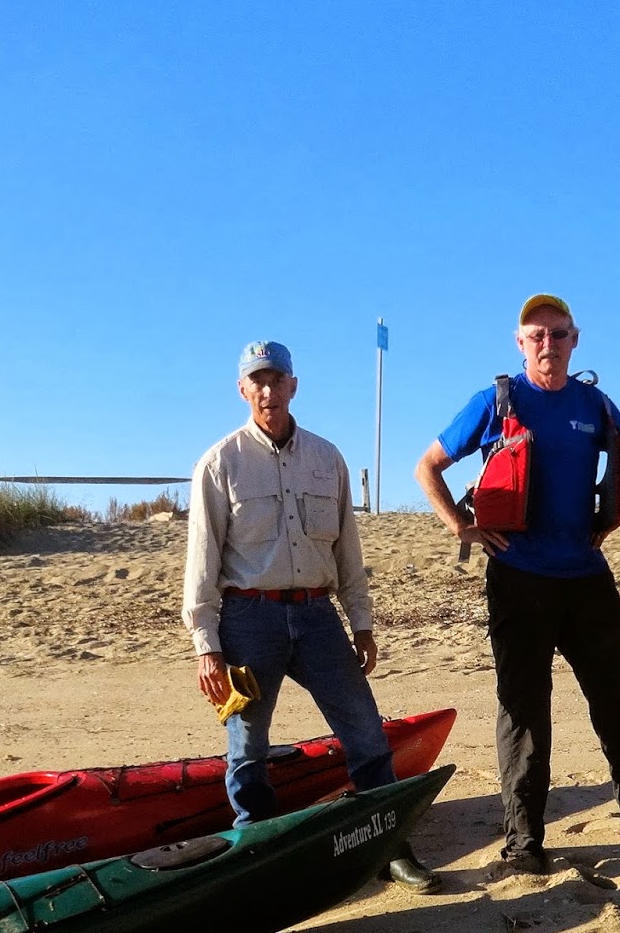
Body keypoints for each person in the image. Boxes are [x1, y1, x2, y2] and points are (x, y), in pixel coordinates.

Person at [412, 294, 620, 875]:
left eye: (558, 334)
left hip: (586, 578)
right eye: (536, 335)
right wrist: (461, 525)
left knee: (616, 702)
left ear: (574, 340)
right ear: (520, 342)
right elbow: (428, 466)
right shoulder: (496, 401)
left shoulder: (593, 402)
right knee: (524, 711)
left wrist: (613, 515)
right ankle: (524, 842)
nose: (548, 345)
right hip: (519, 578)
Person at [183, 339, 440, 892]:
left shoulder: (327, 459)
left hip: (319, 617)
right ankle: (255, 856)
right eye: (257, 381)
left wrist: (362, 623)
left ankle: (390, 848)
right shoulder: (219, 463)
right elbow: (200, 563)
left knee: (365, 731)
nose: (268, 390)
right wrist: (207, 645)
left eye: (277, 379)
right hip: (247, 621)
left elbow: (348, 552)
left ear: (293, 385)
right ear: (242, 390)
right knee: (247, 746)